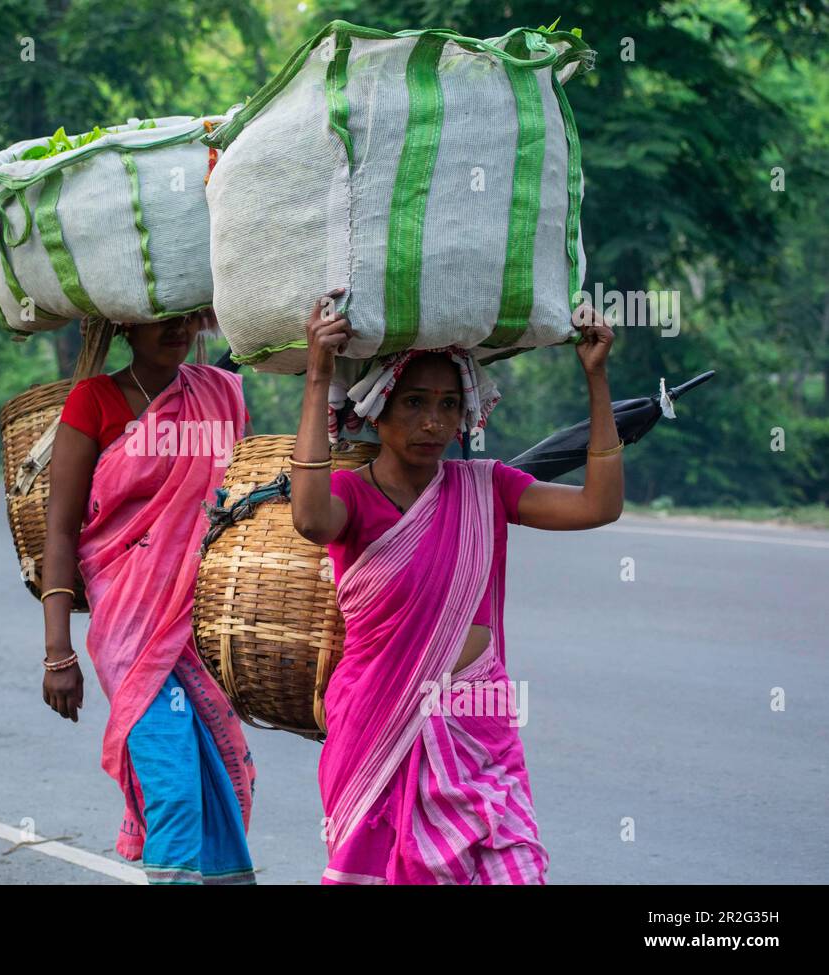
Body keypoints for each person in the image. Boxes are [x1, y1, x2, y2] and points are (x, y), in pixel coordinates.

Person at [291, 291, 623, 885]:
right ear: (375, 409)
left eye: (448, 404)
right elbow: (311, 519)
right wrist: (319, 376)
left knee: (515, 871)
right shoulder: (352, 498)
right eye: (414, 403)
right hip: (377, 723)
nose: (434, 423)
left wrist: (596, 381)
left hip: (478, 724)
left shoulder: (485, 487)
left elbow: (599, 506)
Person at [42, 311, 257, 885]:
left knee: (215, 784)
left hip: (204, 617)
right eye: (159, 318)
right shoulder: (96, 400)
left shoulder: (220, 394)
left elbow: (234, 503)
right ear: (124, 325)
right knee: (174, 787)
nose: (176, 329)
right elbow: (60, 530)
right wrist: (57, 652)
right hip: (130, 624)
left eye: (187, 318)